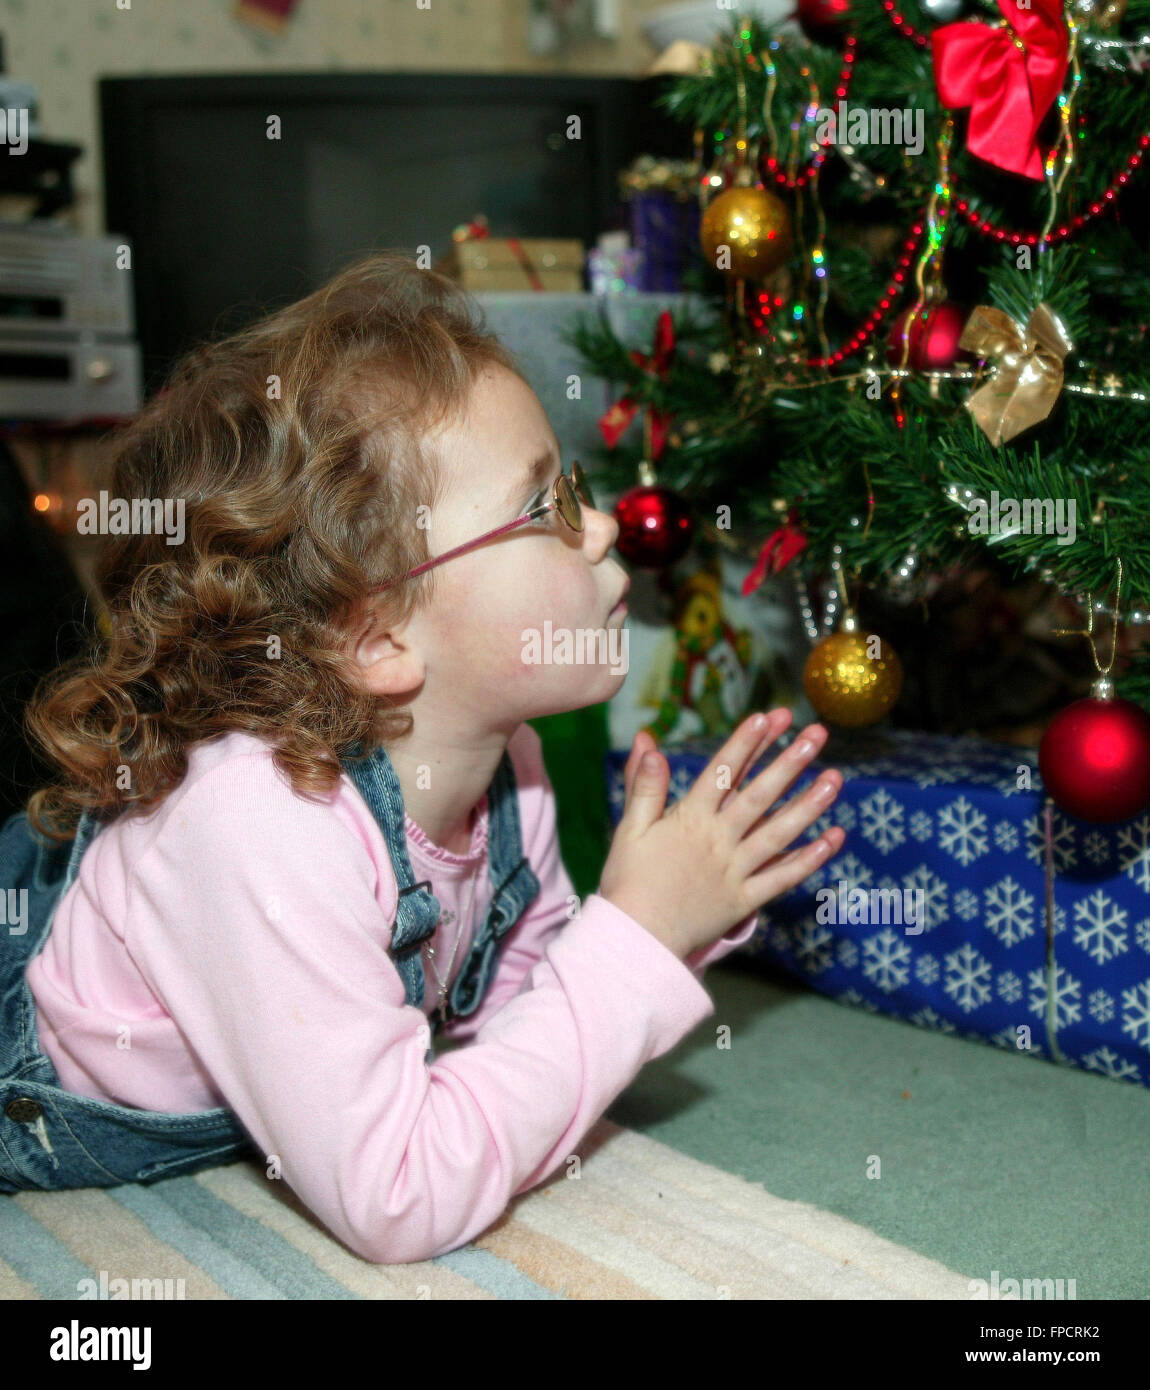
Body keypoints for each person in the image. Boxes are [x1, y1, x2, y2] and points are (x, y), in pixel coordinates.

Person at [2, 251, 844, 1264]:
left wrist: (655, 921)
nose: (607, 522)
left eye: (572, 484)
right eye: (542, 509)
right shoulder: (255, 823)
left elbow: (528, 1034)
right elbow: (395, 1196)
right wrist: (635, 940)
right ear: (376, 636)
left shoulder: (507, 766)